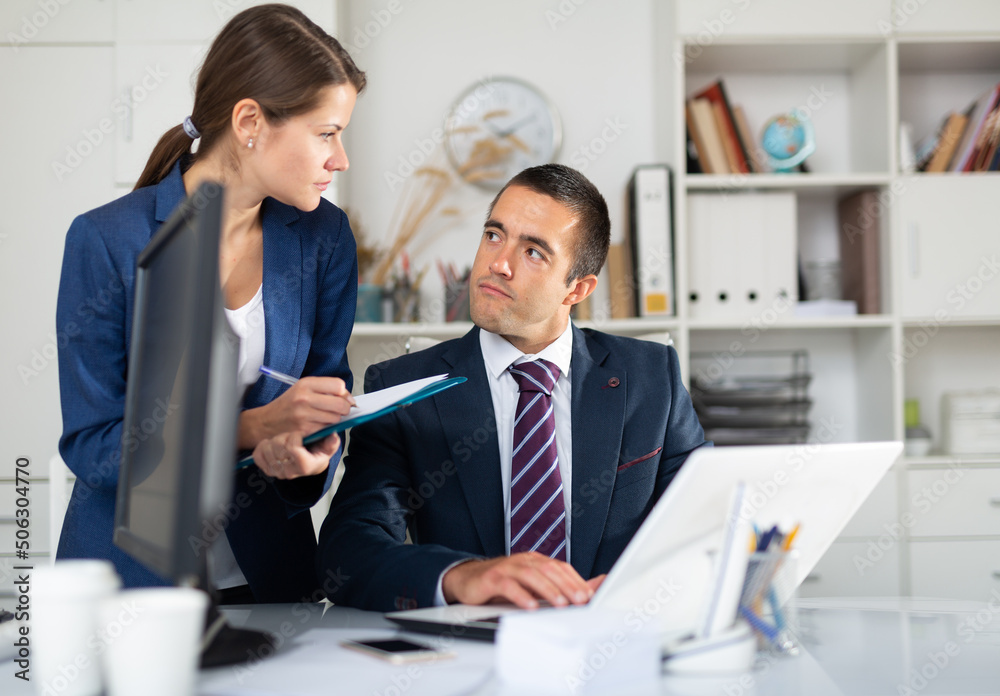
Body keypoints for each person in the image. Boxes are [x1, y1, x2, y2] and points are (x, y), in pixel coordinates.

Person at [56, 4, 365, 603]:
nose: (340, 158)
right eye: (326, 133)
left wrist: (307, 454)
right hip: (130, 589)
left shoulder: (323, 238)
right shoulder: (106, 241)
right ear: (249, 120)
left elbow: (327, 393)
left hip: (270, 580)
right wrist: (252, 427)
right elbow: (94, 448)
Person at [317, 164, 708, 612]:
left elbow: (709, 522)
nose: (496, 264)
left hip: (612, 653)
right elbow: (347, 556)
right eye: (493, 235)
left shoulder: (651, 377)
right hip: (468, 657)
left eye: (534, 252)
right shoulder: (402, 389)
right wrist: (459, 577)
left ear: (577, 289)